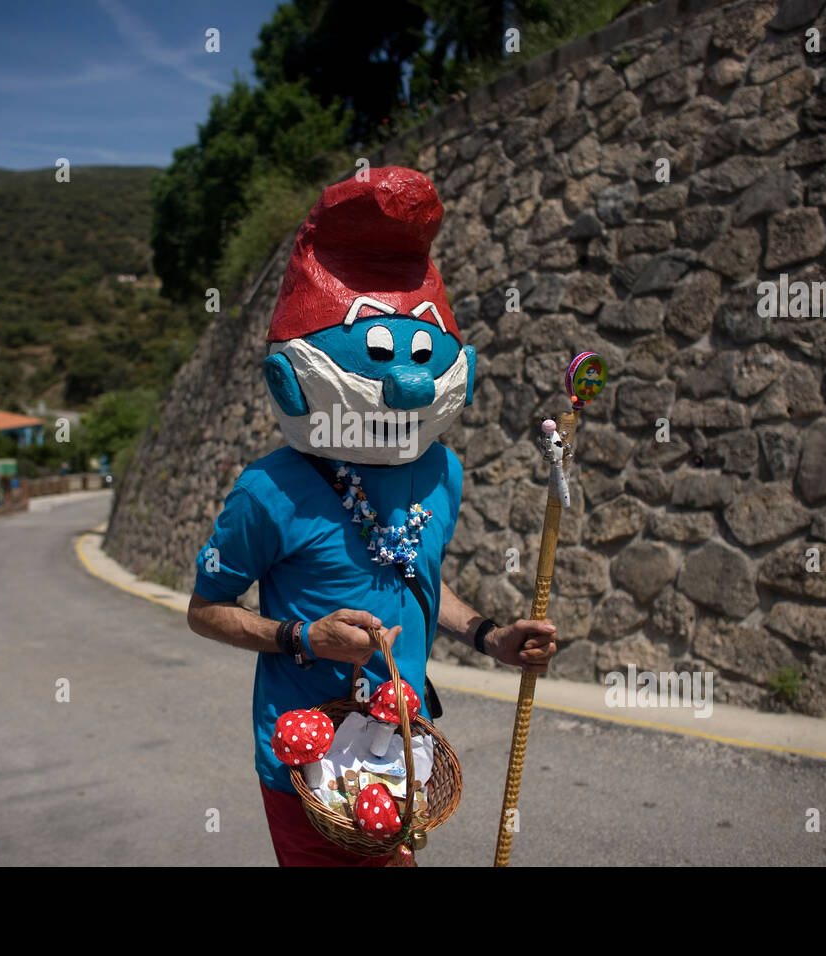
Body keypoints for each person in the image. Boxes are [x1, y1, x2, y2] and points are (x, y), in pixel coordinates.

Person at [187, 167, 558, 866]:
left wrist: (488, 637)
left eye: (422, 354)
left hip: (402, 754)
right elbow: (205, 610)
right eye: (383, 354)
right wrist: (302, 637)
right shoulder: (268, 489)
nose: (409, 379)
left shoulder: (441, 470)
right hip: (307, 765)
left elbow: (415, 573)